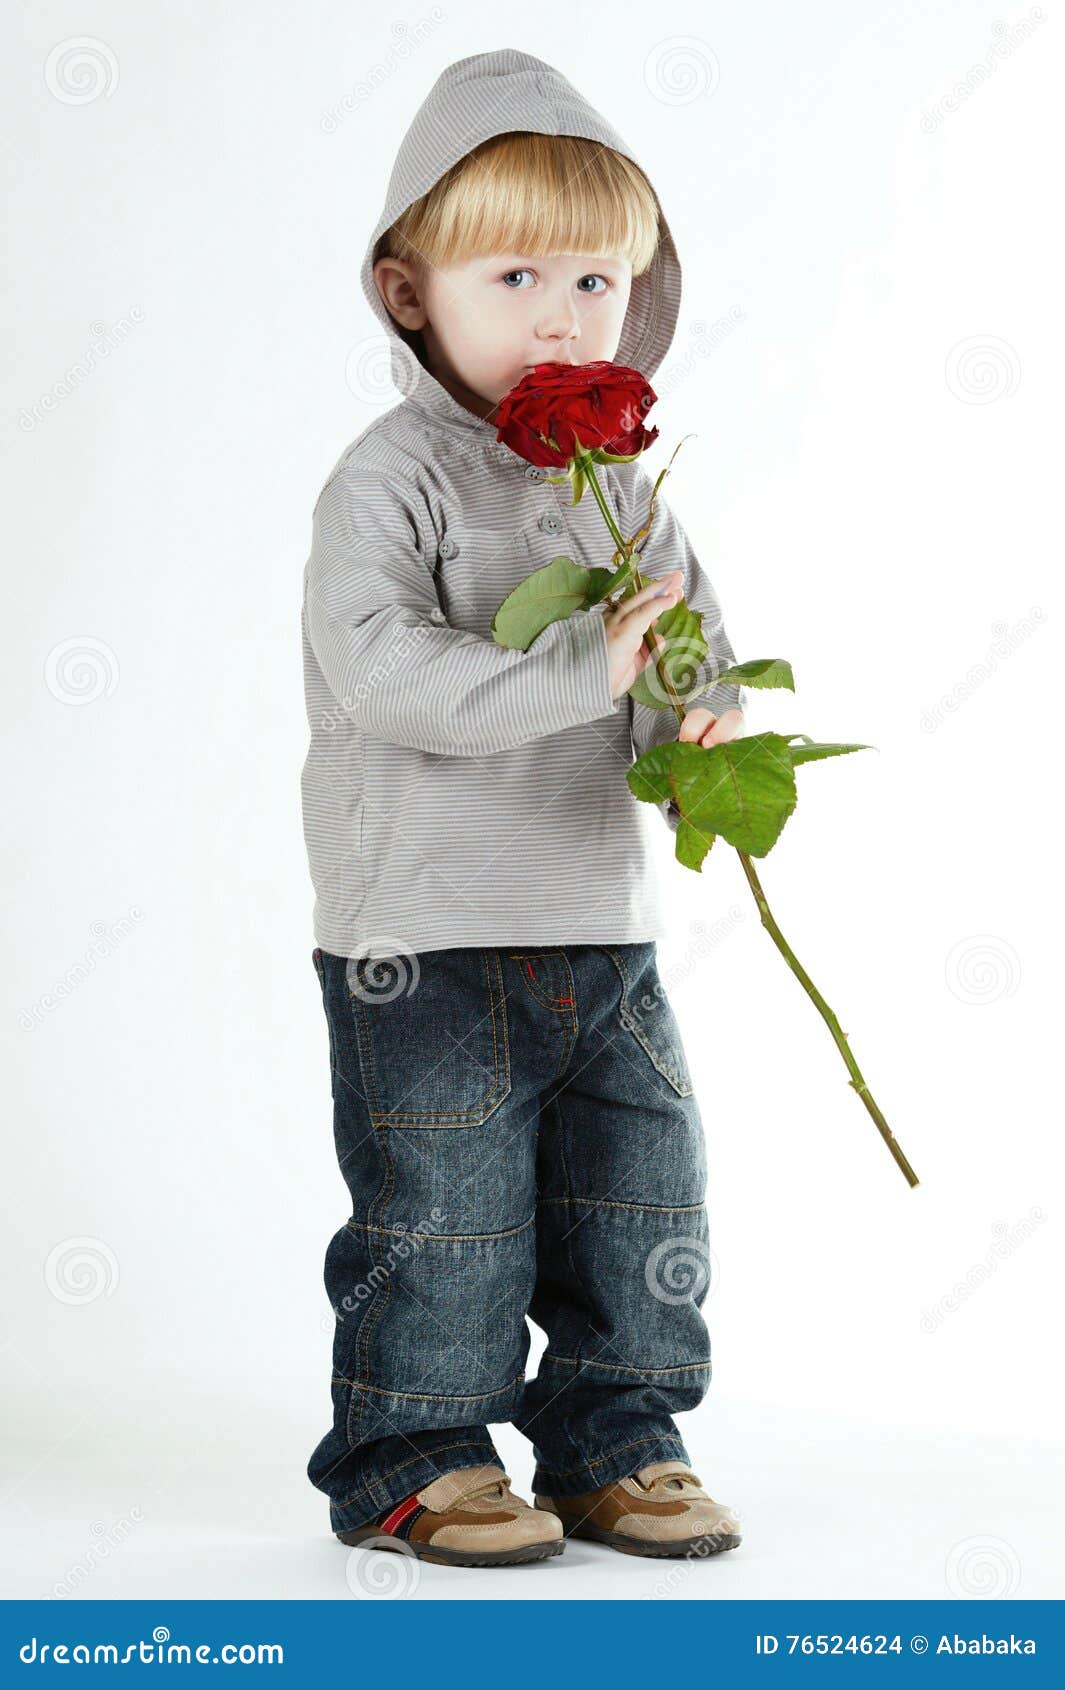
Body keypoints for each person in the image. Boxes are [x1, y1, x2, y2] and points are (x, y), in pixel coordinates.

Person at [301, 47, 746, 1567]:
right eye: (516, 274)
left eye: (597, 282)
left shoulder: (623, 487)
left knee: (639, 1187)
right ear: (411, 289)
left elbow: (689, 633)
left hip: (596, 916)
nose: (565, 313)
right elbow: (389, 679)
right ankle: (413, 1451)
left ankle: (618, 1430)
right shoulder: (386, 484)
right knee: (447, 1206)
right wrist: (581, 663)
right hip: (421, 935)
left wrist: (699, 703)